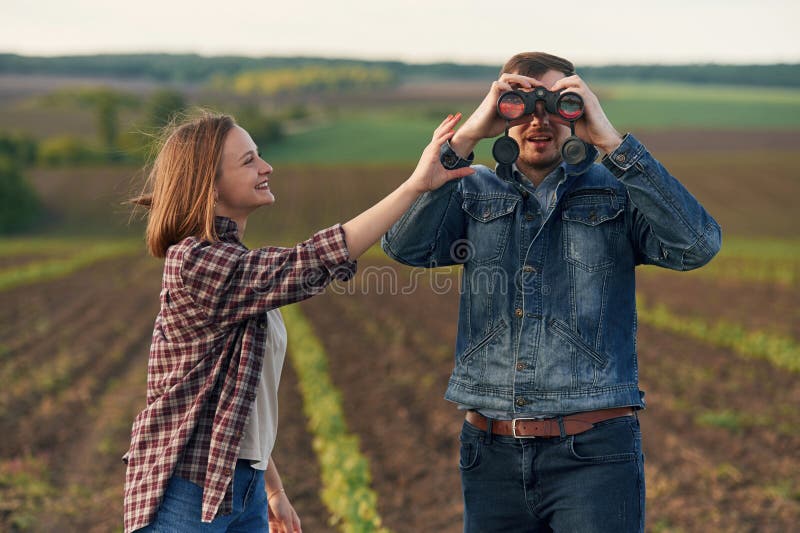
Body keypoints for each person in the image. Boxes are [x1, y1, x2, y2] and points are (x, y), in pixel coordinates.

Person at [381, 52, 722, 532]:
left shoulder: (617, 191)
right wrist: (465, 139)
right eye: (519, 103)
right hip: (489, 451)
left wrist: (611, 141)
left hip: (595, 452)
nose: (539, 119)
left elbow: (698, 245)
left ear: (579, 111)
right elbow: (404, 246)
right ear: (502, 111)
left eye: (560, 103)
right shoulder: (470, 189)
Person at [123, 110, 473, 533]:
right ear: (209, 188)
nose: (266, 167)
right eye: (248, 161)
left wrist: (273, 489)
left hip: (239, 485)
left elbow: (233, 397)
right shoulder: (196, 262)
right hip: (187, 489)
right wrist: (416, 184)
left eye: (259, 156)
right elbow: (308, 261)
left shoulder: (233, 264)